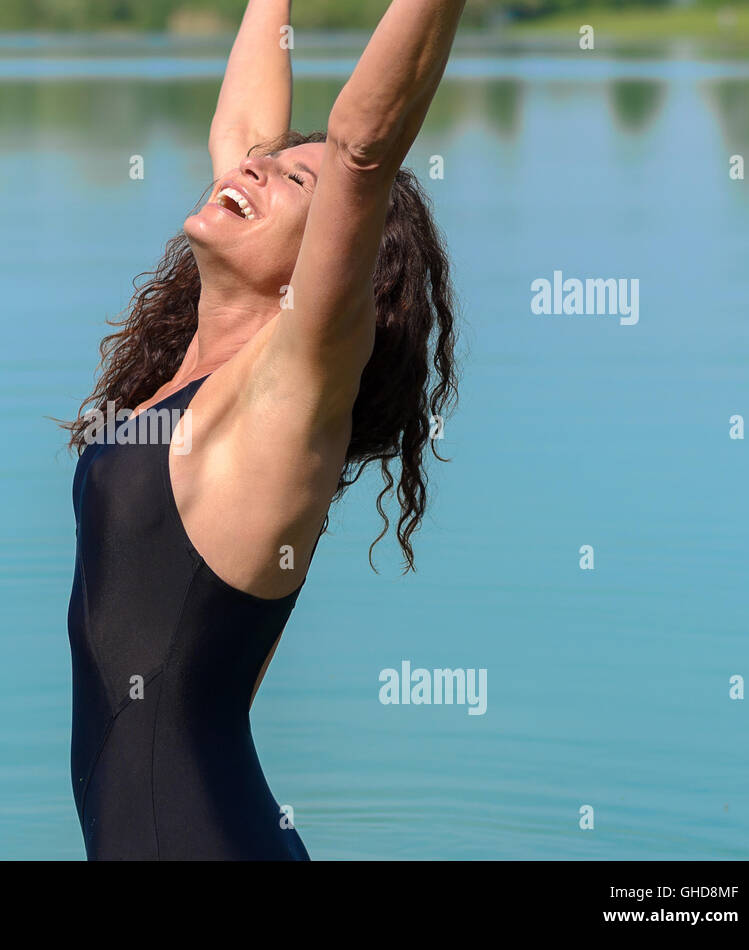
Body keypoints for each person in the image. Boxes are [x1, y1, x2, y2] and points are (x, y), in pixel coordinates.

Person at [65, 0, 465, 860]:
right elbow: (248, 135)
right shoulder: (196, 372)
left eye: (294, 182)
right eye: (268, 163)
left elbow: (363, 148)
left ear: (326, 259)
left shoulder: (289, 387)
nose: (255, 171)